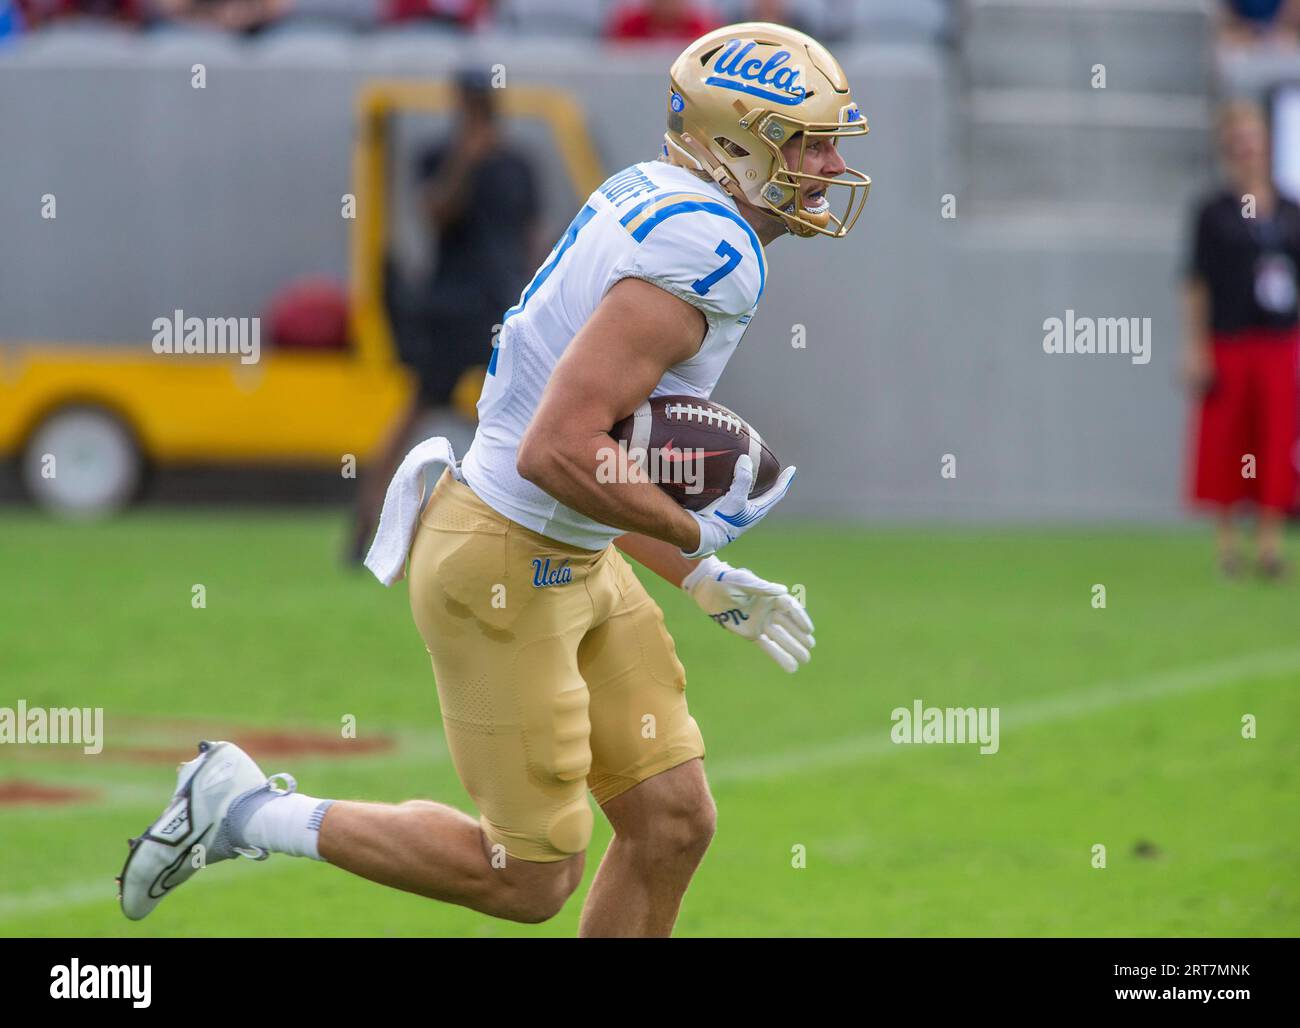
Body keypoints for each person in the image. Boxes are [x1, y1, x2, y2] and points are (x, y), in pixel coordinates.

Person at [119, 22, 871, 937]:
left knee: (672, 822)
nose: (830, 167)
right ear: (735, 144)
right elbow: (556, 449)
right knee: (529, 878)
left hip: (570, 550)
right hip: (508, 562)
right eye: (810, 142)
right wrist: (691, 532)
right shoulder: (711, 256)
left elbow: (588, 448)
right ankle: (243, 811)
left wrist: (698, 575)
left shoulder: (668, 198)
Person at [349, 68, 540, 562]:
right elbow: (435, 212)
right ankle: (366, 520)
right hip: (452, 308)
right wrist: (464, 160)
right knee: (417, 411)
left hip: (506, 306)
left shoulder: (519, 164)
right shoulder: (440, 155)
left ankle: (518, 525)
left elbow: (531, 237)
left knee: (519, 416)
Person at [1185, 99, 1299, 578]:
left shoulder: (1290, 211)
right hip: (1230, 339)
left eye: (1254, 140)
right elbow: (1195, 281)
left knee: (1276, 440)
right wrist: (1193, 345)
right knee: (1228, 442)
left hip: (1279, 341)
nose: (1247, 151)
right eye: (1238, 142)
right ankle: (1229, 546)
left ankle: (1270, 545)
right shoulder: (1213, 212)